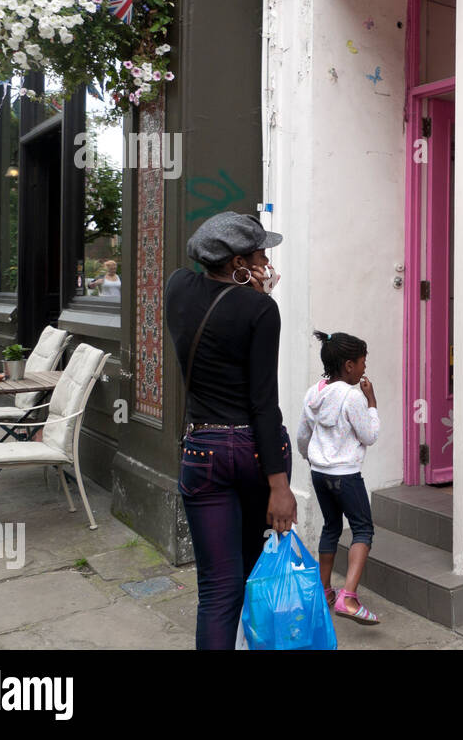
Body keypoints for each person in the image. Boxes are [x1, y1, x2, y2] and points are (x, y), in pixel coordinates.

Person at [165, 211, 296, 650]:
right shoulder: (262, 310)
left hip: (202, 451)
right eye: (260, 251)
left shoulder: (177, 288)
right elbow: (263, 402)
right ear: (240, 261)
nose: (266, 257)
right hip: (254, 456)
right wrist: (280, 486)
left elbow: (215, 306)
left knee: (218, 591)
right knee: (253, 576)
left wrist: (248, 290)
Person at [297, 330, 381, 625]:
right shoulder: (353, 398)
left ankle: (324, 591)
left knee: (331, 527)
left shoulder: (314, 393)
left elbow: (303, 436)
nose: (364, 368)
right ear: (348, 366)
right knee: (362, 530)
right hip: (346, 475)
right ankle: (349, 597)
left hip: (320, 474)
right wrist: (372, 402)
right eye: (362, 362)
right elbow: (369, 436)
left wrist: (313, 457)